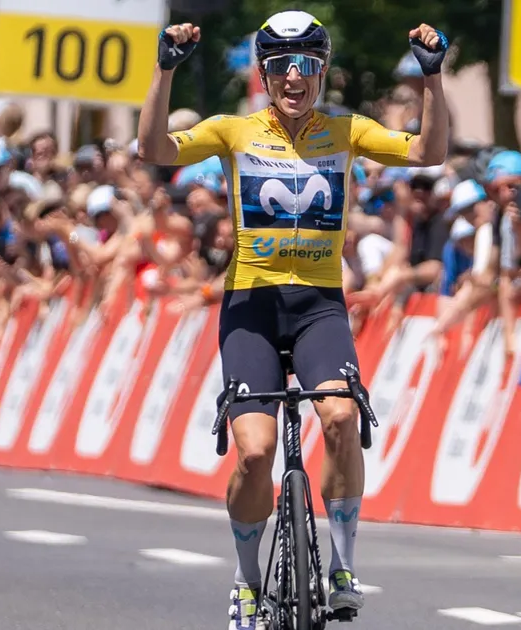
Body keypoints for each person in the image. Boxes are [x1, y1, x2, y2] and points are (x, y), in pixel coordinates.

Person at [137, 10, 449, 629]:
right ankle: (248, 581)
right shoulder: (235, 130)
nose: (294, 78)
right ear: (265, 73)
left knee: (340, 415)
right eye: (280, 66)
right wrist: (164, 72)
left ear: (322, 70)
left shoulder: (347, 128)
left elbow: (428, 151)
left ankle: (342, 564)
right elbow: (154, 149)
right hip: (251, 306)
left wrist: (433, 78)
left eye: (306, 65)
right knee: (253, 455)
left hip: (318, 305)